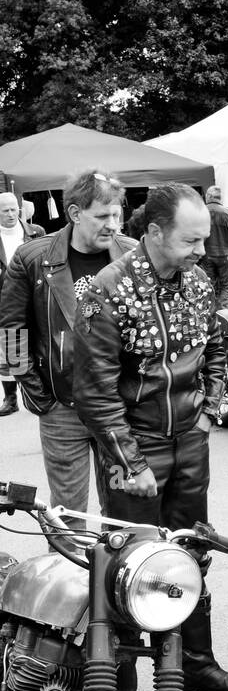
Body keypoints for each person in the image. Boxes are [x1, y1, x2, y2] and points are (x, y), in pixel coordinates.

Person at [72, 182, 228, 691]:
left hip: (189, 442)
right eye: (191, 241)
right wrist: (130, 461)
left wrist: (211, 408)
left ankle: (196, 663)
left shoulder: (198, 283)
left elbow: (216, 344)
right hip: (134, 448)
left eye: (203, 241)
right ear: (153, 232)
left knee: (192, 551)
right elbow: (93, 392)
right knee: (130, 565)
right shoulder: (105, 290)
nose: (203, 251)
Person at [0, 172, 135, 507]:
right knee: (69, 516)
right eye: (102, 216)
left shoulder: (133, 255)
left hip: (121, 409)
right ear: (75, 214)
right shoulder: (32, 258)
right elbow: (11, 331)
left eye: (117, 215)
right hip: (62, 409)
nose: (113, 225)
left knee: (124, 515)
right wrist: (38, 395)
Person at [0, 191, 45, 416]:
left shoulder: (36, 232)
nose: (10, 214)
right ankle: (11, 398)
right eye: (4, 210)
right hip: (6, 301)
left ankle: (34, 392)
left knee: (37, 345)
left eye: (13, 209)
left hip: (34, 297)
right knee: (11, 348)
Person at [200, 185, 228, 309]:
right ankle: (222, 309)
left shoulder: (200, 211)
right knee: (225, 284)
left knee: (208, 283)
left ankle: (210, 308)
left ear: (209, 197)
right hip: (224, 253)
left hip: (206, 253)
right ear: (219, 198)